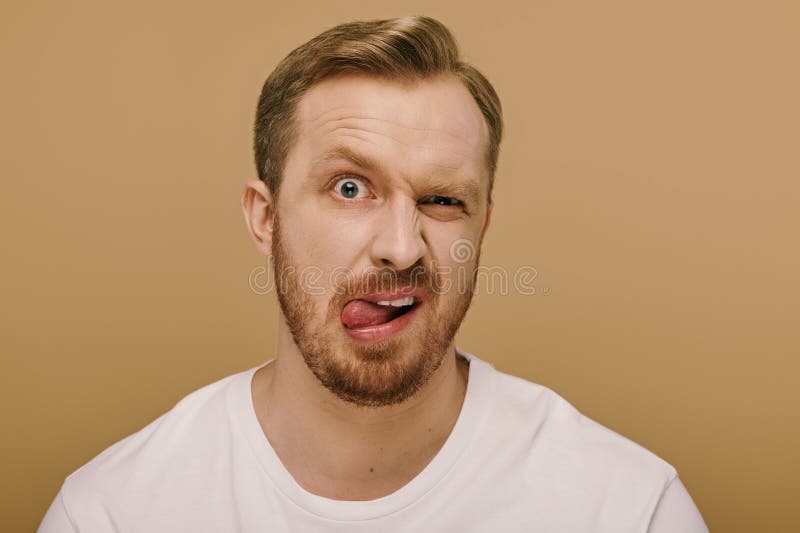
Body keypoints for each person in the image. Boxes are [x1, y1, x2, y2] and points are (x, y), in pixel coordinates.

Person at [39, 16, 708, 532]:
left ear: (482, 229)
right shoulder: (113, 512)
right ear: (265, 218)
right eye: (351, 188)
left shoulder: (627, 509)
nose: (400, 248)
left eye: (443, 200)